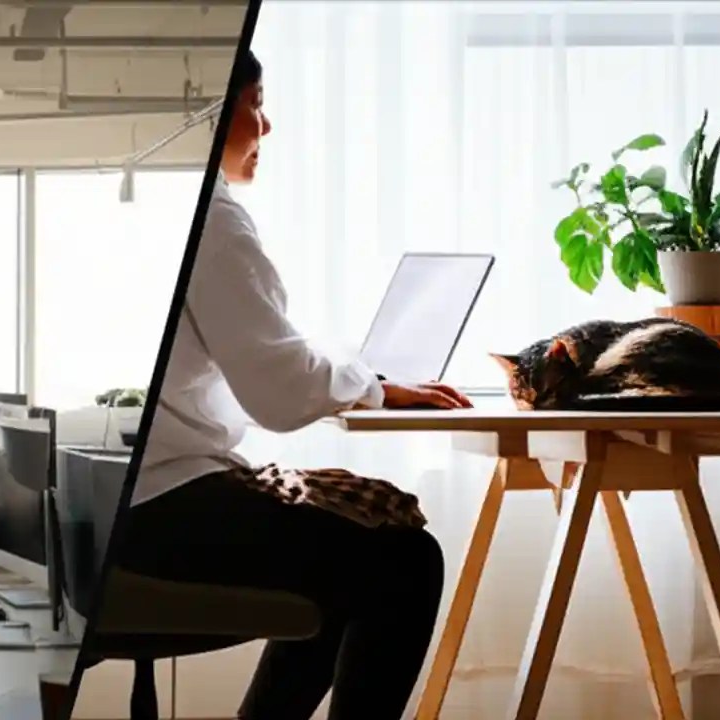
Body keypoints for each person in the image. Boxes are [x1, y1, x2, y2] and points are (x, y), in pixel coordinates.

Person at [113, 50, 473, 720]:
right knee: (405, 562)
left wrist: (362, 378)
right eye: (256, 102)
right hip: (165, 506)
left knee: (347, 561)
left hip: (150, 498)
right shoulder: (215, 221)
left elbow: (270, 353)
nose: (267, 126)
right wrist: (373, 387)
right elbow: (277, 393)